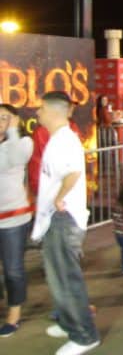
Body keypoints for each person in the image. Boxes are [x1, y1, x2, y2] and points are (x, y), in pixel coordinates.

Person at [31, 91, 101, 354]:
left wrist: (59, 198)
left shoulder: (64, 140)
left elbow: (72, 173)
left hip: (64, 218)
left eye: (40, 109)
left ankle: (84, 336)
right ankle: (68, 322)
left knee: (66, 280)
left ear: (52, 111)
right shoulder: (59, 138)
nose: (37, 113)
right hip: (57, 219)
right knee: (58, 278)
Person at [0, 104, 33, 338]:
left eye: (5, 117)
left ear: (15, 120)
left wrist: (12, 131)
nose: (0, 121)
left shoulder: (22, 143)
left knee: (12, 269)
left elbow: (14, 160)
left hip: (13, 218)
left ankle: (14, 314)